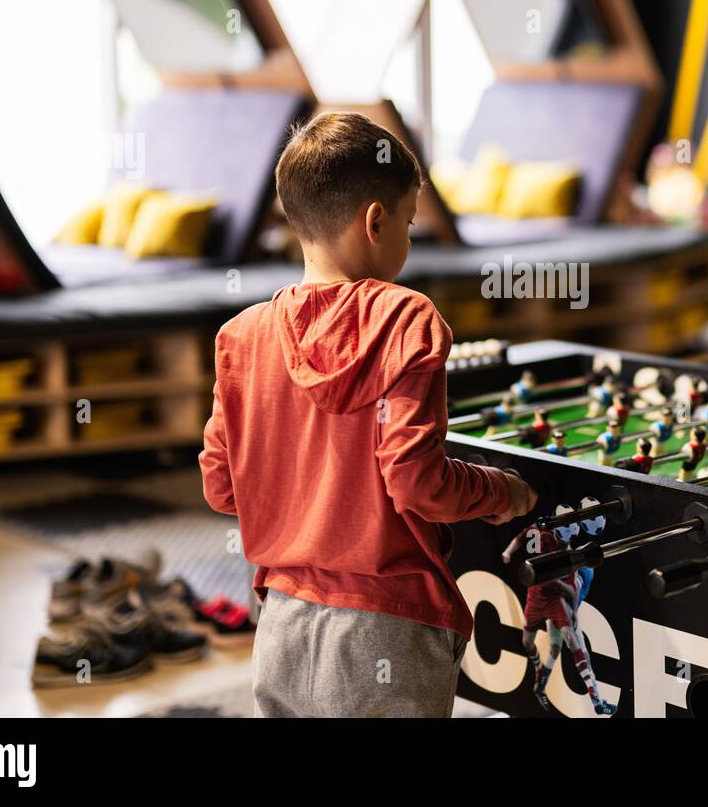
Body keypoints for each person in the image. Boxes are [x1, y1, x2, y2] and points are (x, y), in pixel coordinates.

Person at [200, 112, 537, 717]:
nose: (408, 238)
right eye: (408, 222)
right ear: (375, 221)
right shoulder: (406, 320)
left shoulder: (240, 337)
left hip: (282, 620)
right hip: (390, 626)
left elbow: (223, 487)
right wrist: (500, 491)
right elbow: (415, 482)